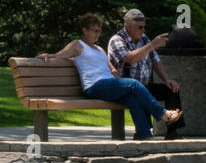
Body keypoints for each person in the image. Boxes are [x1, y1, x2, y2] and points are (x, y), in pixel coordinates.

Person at [38, 13, 179, 140]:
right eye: (94, 30)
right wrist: (49, 56)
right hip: (94, 86)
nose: (98, 34)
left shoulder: (99, 49)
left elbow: (109, 66)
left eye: (99, 31)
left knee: (133, 99)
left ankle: (145, 136)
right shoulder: (77, 45)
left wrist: (115, 73)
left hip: (108, 84)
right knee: (133, 84)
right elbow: (59, 55)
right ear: (85, 30)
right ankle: (163, 114)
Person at [107, 9, 185, 138]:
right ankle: (143, 131)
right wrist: (152, 44)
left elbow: (156, 61)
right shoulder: (117, 40)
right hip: (126, 88)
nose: (143, 30)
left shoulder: (144, 39)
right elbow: (130, 59)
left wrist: (167, 80)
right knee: (140, 91)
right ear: (128, 26)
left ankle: (173, 132)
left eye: (144, 27)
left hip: (143, 85)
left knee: (171, 89)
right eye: (140, 27)